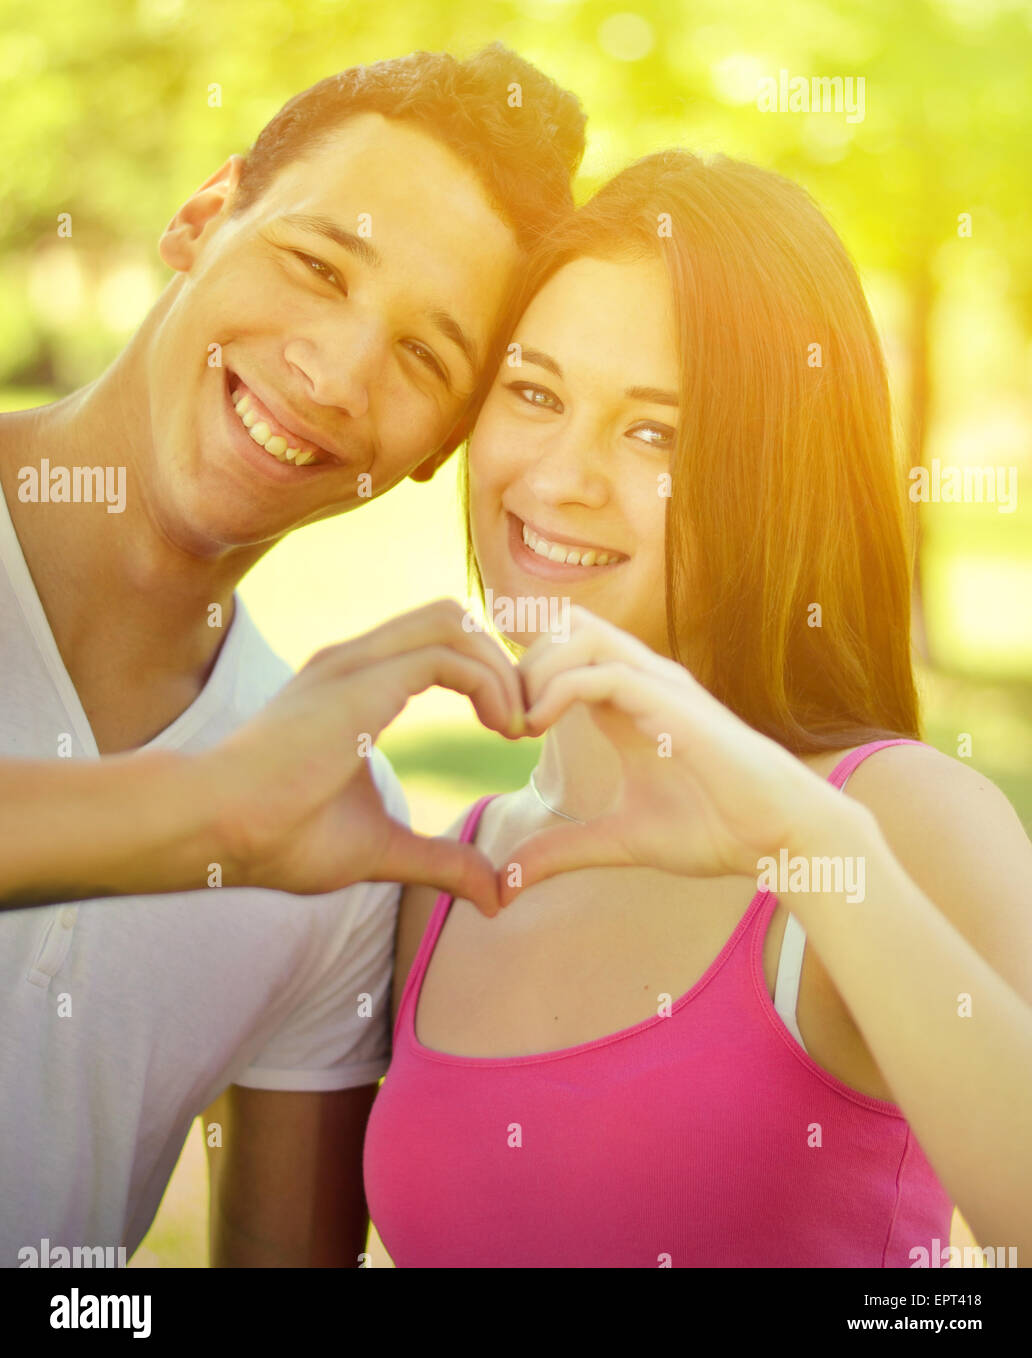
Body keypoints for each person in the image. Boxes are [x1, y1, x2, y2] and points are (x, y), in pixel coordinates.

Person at [364, 151, 1032, 1267]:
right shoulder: (437, 885)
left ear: (776, 475)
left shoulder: (899, 819)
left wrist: (812, 842)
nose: (560, 476)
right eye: (535, 393)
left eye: (654, 431)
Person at [0, 45, 585, 1268]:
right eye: (317, 265)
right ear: (203, 216)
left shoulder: (339, 833)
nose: (333, 372)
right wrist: (209, 814)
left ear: (441, 450)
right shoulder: (272, 806)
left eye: (426, 357)